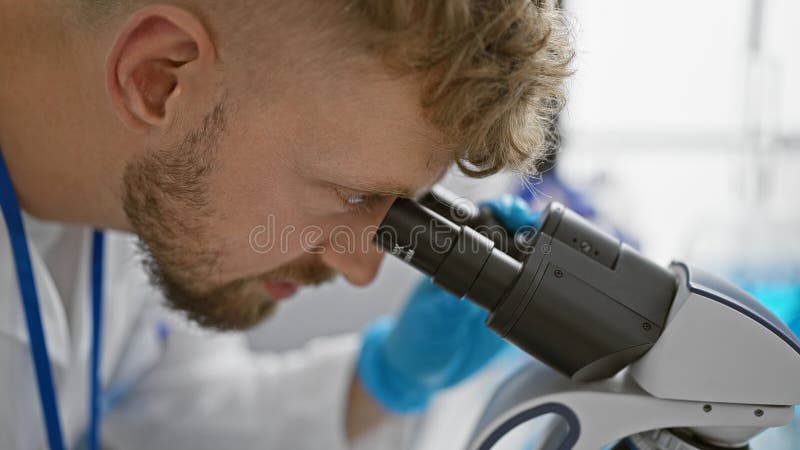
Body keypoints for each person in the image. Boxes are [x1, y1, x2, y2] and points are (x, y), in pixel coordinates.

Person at [0, 0, 572, 448]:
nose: (359, 270)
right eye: (351, 194)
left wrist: (384, 381)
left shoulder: (143, 187)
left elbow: (162, 413)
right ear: (158, 80)